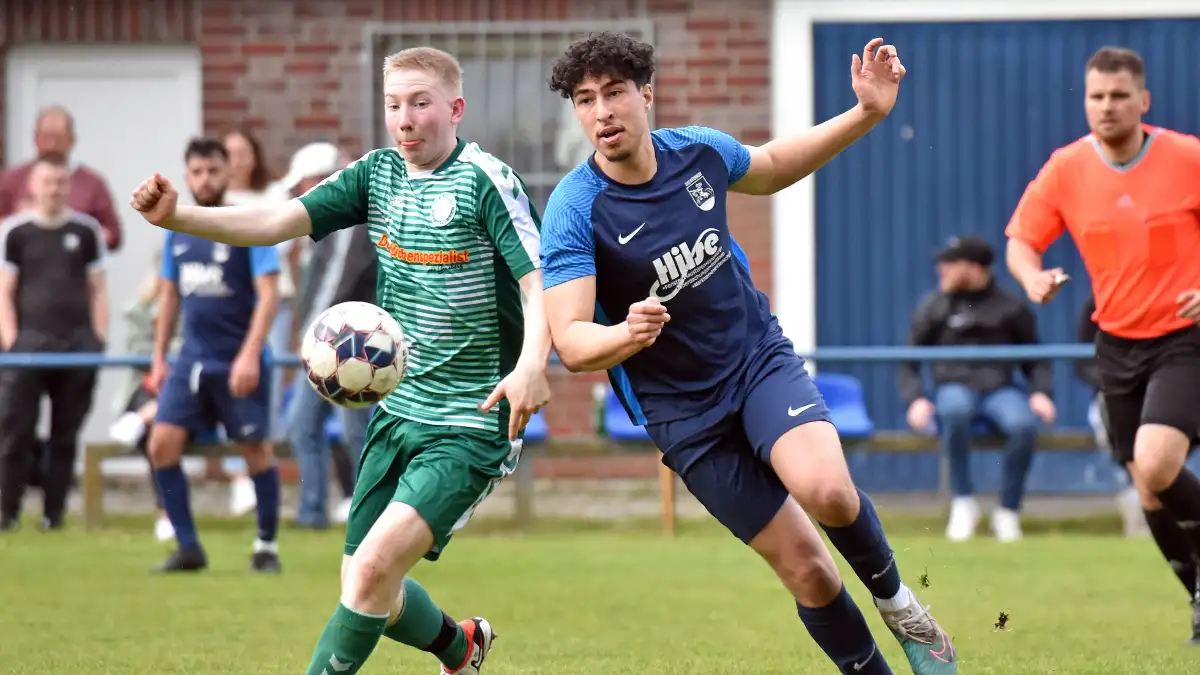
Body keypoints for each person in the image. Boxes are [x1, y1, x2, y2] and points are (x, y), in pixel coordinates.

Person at [540, 32, 954, 675]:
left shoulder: (699, 151)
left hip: (754, 359)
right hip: (680, 413)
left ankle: (904, 610)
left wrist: (868, 112)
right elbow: (569, 339)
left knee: (829, 493)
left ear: (645, 94)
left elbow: (772, 166)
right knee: (809, 572)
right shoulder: (574, 207)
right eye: (585, 100)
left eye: (615, 93)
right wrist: (624, 334)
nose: (602, 113)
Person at [129, 46, 550, 675]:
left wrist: (531, 365)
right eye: (393, 105)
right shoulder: (375, 175)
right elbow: (277, 221)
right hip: (396, 413)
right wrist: (178, 216)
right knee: (364, 582)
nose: (404, 119)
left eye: (420, 103)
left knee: (374, 571)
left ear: (456, 108)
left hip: (470, 419)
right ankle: (461, 649)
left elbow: (536, 279)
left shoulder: (486, 181)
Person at [1005, 45, 1200, 644]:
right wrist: (1032, 277)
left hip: (1185, 338)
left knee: (1160, 459)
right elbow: (1021, 240)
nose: (1107, 107)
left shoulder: (1188, 158)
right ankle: (1196, 593)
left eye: (1119, 96)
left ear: (1144, 101)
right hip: (1116, 343)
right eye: (1096, 96)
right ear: (1085, 101)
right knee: (1146, 482)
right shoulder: (1066, 168)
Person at [145, 138, 282, 574]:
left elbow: (269, 295)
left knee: (254, 449)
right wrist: (158, 357)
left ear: (228, 174)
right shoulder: (177, 229)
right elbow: (169, 298)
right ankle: (188, 547)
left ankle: (266, 546)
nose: (205, 180)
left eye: (213, 171)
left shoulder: (249, 224)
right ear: (187, 178)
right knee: (161, 444)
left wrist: (249, 355)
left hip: (237, 359)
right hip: (191, 360)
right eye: (197, 172)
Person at [900, 236, 1055, 543]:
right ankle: (963, 501)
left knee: (1022, 424)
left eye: (949, 263)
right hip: (953, 388)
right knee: (954, 410)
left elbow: (1036, 357)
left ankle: (1008, 511)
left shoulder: (1010, 306)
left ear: (972, 268)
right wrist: (915, 399)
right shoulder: (935, 306)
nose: (940, 269)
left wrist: (1041, 392)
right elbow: (909, 360)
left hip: (1000, 390)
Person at [0, 152, 108, 531]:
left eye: (61, 182)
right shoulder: (15, 233)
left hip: (76, 346)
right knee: (16, 432)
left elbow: (98, 290)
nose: (54, 189)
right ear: (32, 185)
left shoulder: (85, 232)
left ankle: (53, 515)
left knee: (66, 435)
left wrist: (98, 339)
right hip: (27, 348)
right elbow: (5, 291)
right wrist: (11, 342)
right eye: (47, 182)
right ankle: (7, 512)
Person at [283, 141, 378, 530]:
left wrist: (309, 339)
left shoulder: (347, 221)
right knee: (302, 424)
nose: (297, 192)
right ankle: (313, 512)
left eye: (302, 183)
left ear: (319, 179)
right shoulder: (323, 225)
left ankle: (367, 517)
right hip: (330, 343)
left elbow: (334, 287)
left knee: (358, 433)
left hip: (349, 345)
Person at [0, 106, 122, 250]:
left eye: (58, 138)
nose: (51, 145)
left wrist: (80, 229)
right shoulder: (12, 179)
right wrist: (19, 220)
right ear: (35, 138)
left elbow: (113, 236)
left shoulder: (92, 183)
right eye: (46, 137)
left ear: (71, 140)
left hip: (74, 266)